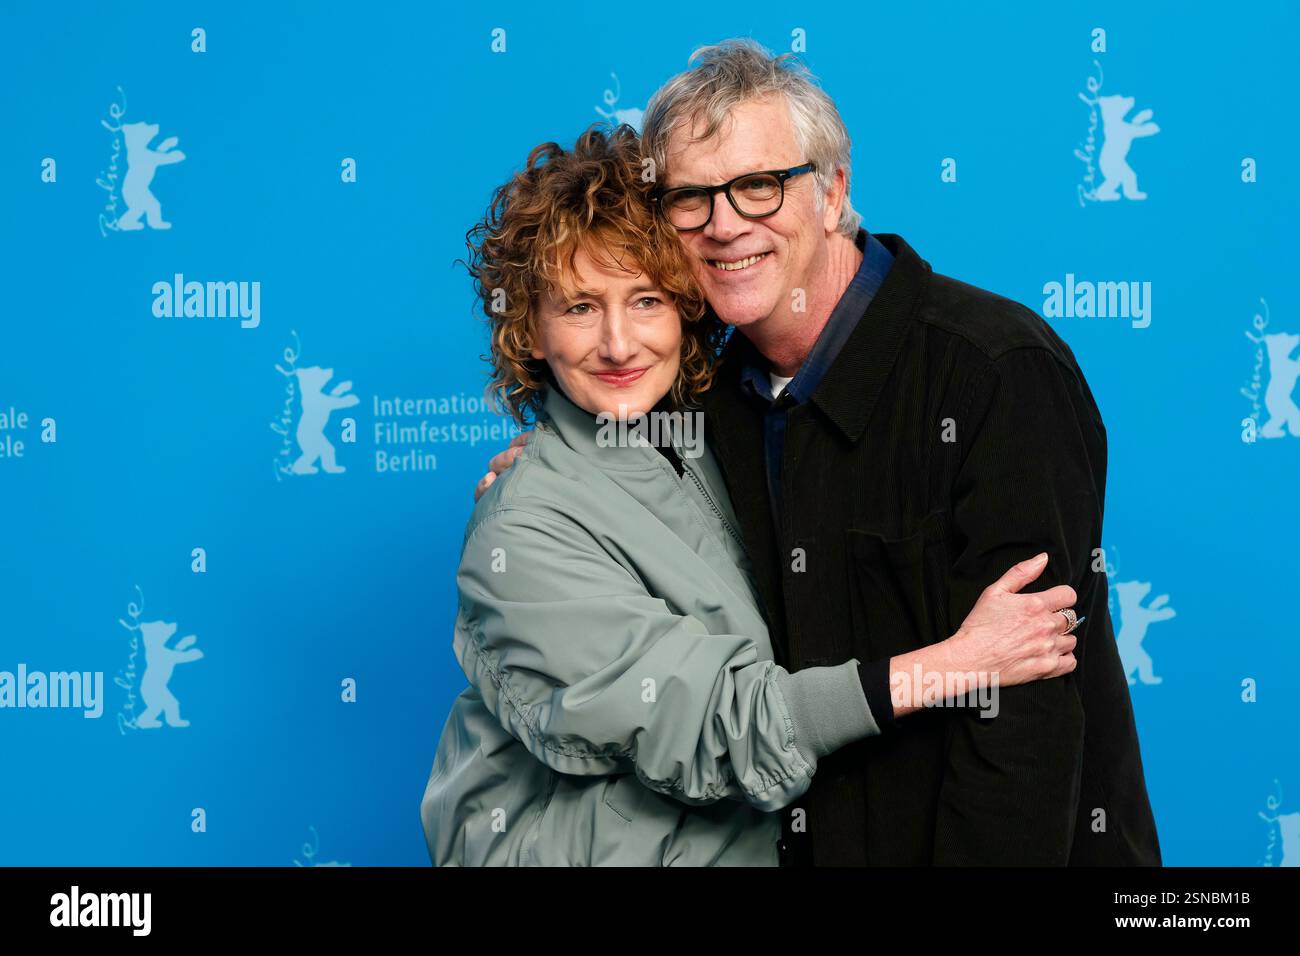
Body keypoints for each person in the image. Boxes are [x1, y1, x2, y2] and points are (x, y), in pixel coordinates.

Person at [471, 40, 1162, 866]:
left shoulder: (993, 372)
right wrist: (554, 470)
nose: (726, 223)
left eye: (760, 184)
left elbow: (1028, 717)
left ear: (833, 192)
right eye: (692, 198)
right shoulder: (702, 408)